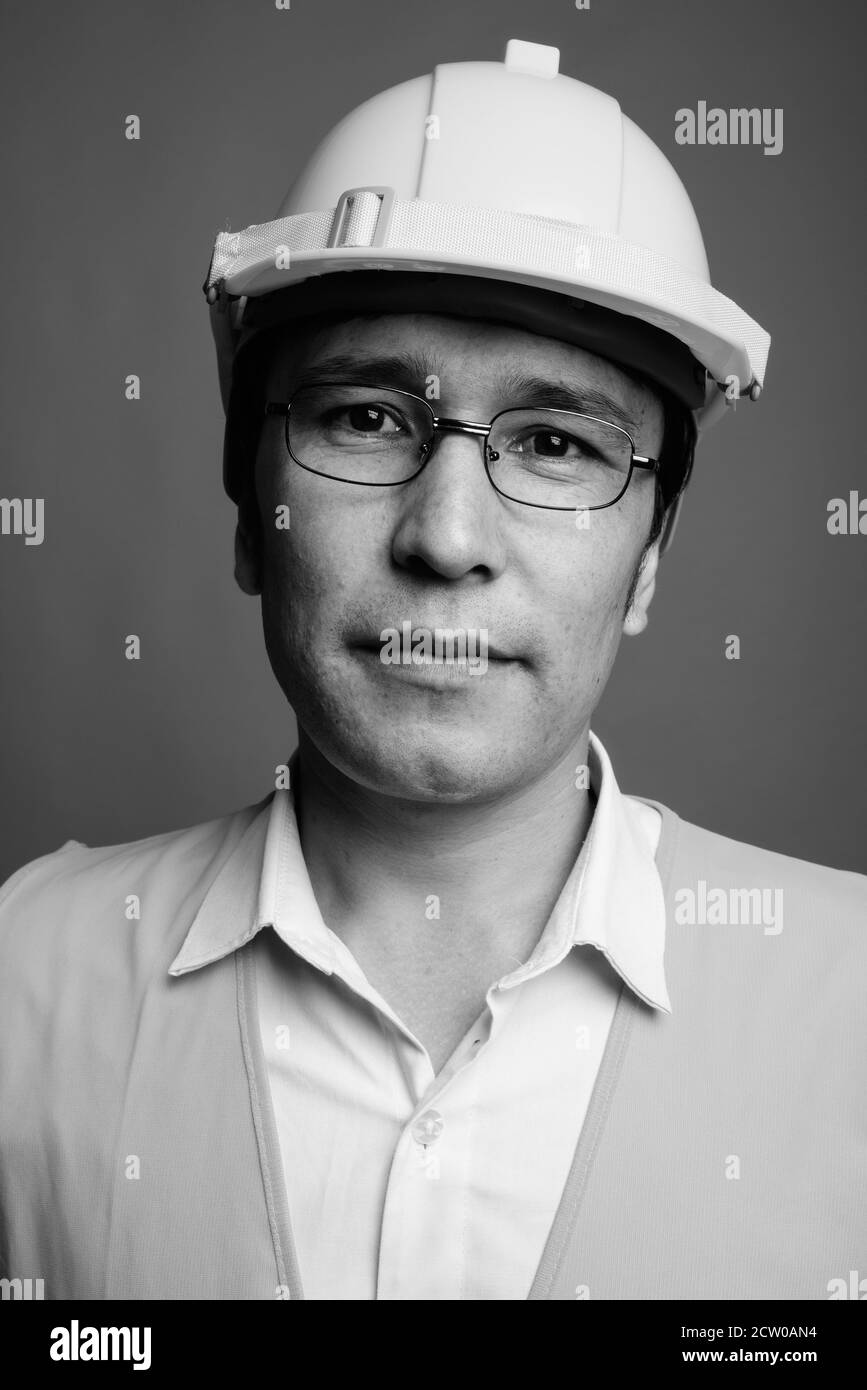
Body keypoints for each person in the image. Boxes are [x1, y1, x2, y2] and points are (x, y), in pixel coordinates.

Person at [1, 38, 864, 1303]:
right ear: (252, 512)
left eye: (558, 443)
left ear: (649, 560)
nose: (447, 536)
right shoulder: (25, 983)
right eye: (364, 418)